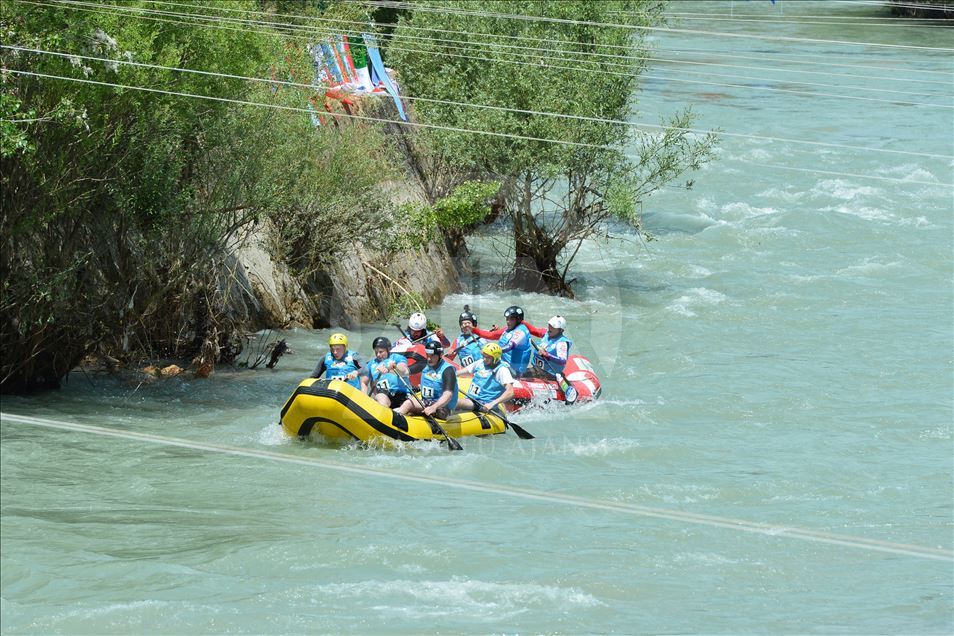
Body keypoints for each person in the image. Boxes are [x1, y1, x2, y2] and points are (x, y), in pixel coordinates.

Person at [397, 341, 458, 419]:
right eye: (428, 355)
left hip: (443, 407)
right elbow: (405, 372)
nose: (429, 359)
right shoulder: (425, 364)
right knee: (407, 403)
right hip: (427, 402)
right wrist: (396, 367)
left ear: (440, 355)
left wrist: (434, 407)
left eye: (432, 356)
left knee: (437, 412)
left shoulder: (448, 370)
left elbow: (448, 395)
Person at [455, 342, 515, 414]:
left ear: (495, 358)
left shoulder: (502, 370)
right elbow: (460, 373)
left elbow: (510, 392)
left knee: (454, 402)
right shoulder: (480, 363)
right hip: (470, 399)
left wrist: (492, 404)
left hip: (483, 404)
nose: (484, 359)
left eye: (488, 357)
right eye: (484, 356)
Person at [475, 306, 533, 376]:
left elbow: (510, 346)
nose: (508, 321)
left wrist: (490, 352)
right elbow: (492, 335)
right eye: (507, 319)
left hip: (514, 371)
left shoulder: (521, 331)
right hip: (504, 364)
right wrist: (474, 330)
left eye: (511, 319)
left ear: (518, 320)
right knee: (480, 362)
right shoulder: (509, 329)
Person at [366, 336, 411, 408]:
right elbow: (364, 382)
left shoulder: (396, 357)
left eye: (381, 352)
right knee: (380, 396)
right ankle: (384, 411)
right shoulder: (371, 364)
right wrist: (365, 397)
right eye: (376, 352)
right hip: (384, 396)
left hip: (402, 394)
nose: (378, 355)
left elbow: (404, 370)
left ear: (388, 349)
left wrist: (393, 368)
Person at [527, 315, 573, 379]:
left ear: (561, 330)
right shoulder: (547, 333)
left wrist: (547, 355)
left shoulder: (561, 343)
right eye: (550, 325)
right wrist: (520, 322)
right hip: (537, 369)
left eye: (553, 327)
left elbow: (562, 361)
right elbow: (533, 330)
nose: (550, 328)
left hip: (549, 374)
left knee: (518, 373)